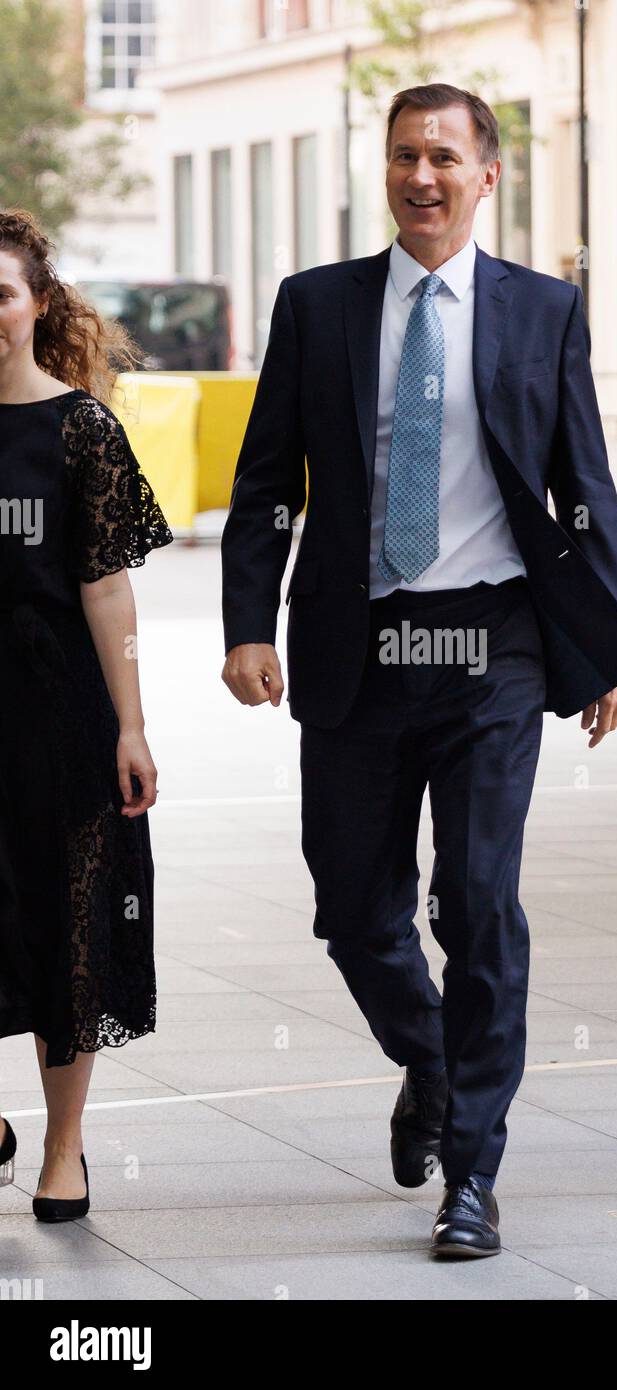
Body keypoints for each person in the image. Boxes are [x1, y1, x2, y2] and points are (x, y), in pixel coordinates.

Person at [221, 84, 617, 1259]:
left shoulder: (544, 310)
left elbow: (585, 481)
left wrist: (616, 643)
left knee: (477, 901)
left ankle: (473, 1174)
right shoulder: (319, 307)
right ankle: (434, 1057)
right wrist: (247, 625)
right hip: (360, 644)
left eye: (444, 157)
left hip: (492, 648)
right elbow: (264, 486)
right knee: (354, 908)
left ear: (487, 175)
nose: (422, 175)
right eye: (404, 155)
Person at [0, 209, 173, 1221]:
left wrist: (132, 725)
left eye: (2, 293)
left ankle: (65, 1146)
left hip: (57, 706)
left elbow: (107, 587)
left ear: (35, 304)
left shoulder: (82, 429)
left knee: (65, 913)